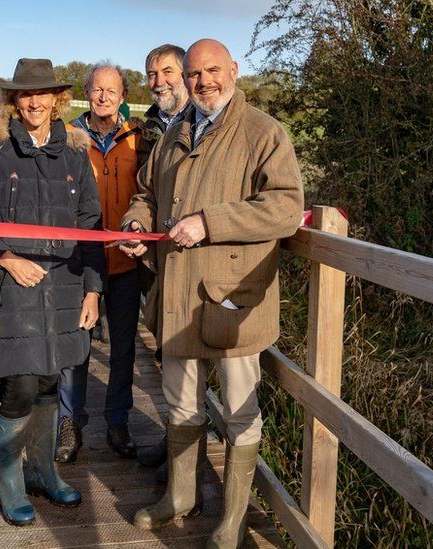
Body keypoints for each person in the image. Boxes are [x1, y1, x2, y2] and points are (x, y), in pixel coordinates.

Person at [120, 39, 304, 548]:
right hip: (178, 294)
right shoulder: (173, 133)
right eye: (194, 74)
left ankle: (232, 521)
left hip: (232, 299)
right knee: (181, 405)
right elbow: (146, 193)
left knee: (240, 413)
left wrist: (209, 222)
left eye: (212, 70)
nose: (204, 82)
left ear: (234, 70)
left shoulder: (263, 132)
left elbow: (286, 208)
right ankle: (181, 497)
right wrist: (136, 224)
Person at [0, 58, 106, 526]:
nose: (34, 102)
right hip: (12, 285)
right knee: (21, 382)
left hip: (65, 283)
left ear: (57, 99)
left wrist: (93, 290)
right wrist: (6, 258)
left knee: (50, 379)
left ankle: (43, 471)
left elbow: (91, 224)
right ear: (13, 100)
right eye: (25, 94)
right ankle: (11, 477)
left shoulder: (75, 152)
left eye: (42, 93)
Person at [57, 62, 144, 462]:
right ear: (86, 94)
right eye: (97, 90)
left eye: (112, 90)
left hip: (125, 261)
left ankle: (117, 420)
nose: (104, 97)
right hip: (80, 262)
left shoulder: (138, 138)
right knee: (77, 345)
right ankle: (69, 423)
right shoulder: (69, 137)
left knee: (123, 348)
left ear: (123, 97)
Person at [134, 43, 193, 471]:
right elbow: (146, 189)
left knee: (196, 362)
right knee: (166, 354)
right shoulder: (149, 127)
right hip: (159, 259)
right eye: (152, 74)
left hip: (201, 262)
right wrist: (136, 224)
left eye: (167, 72)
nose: (159, 82)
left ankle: (187, 455)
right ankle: (174, 443)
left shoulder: (204, 120)